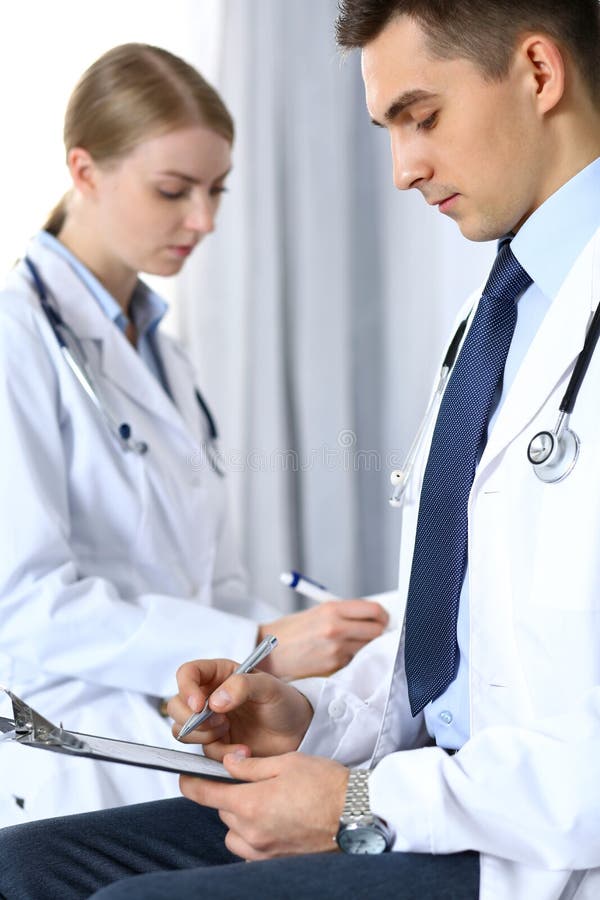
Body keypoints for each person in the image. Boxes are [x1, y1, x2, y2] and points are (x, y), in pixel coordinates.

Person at [1, 0, 600, 897]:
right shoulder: (501, 315)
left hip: (522, 833)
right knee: (24, 867)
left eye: (422, 117)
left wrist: (360, 790)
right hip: (442, 786)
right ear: (83, 172)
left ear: (541, 73)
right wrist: (305, 712)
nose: (403, 170)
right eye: (175, 189)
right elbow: (476, 634)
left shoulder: (532, 306)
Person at [0, 42, 389, 827]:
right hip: (66, 765)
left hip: (172, 737)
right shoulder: (14, 339)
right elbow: (25, 608)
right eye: (174, 190)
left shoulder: (162, 357)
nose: (203, 221)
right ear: (84, 172)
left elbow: (204, 582)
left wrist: (308, 647)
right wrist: (261, 641)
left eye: (216, 191)